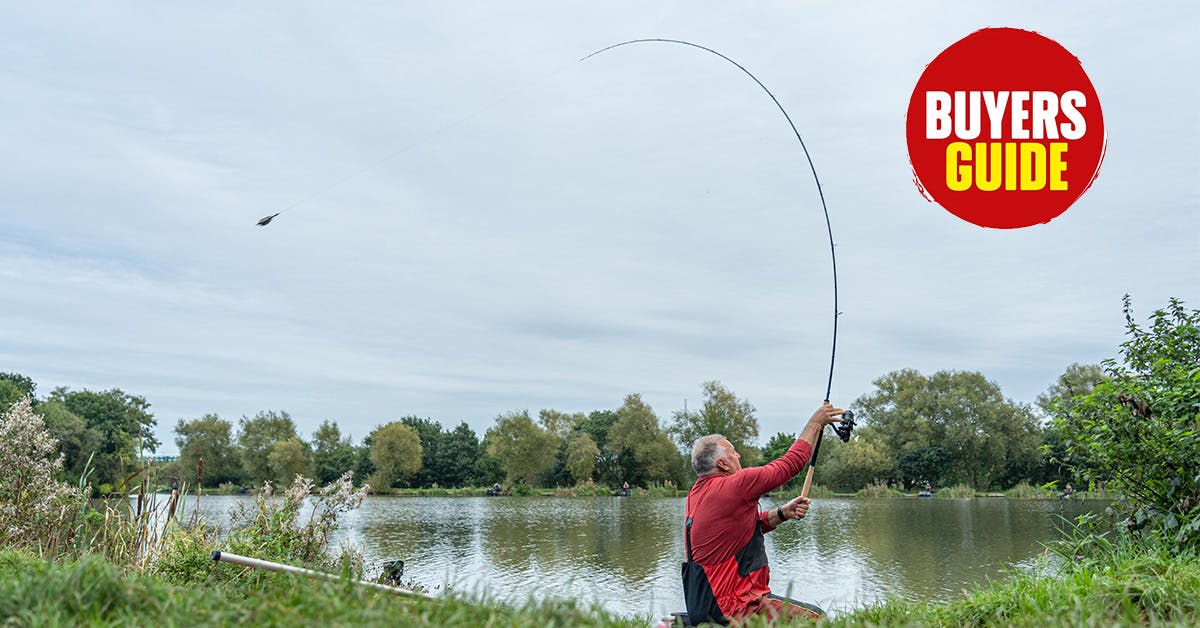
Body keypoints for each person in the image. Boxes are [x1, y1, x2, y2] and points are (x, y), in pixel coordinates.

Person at [682, 402, 844, 625]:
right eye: (732, 452)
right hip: (736, 607)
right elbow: (790, 464)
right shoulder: (735, 485)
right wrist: (816, 422)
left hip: (704, 607)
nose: (738, 455)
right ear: (722, 464)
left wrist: (782, 513)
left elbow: (739, 529)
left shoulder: (697, 493)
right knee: (817, 619)